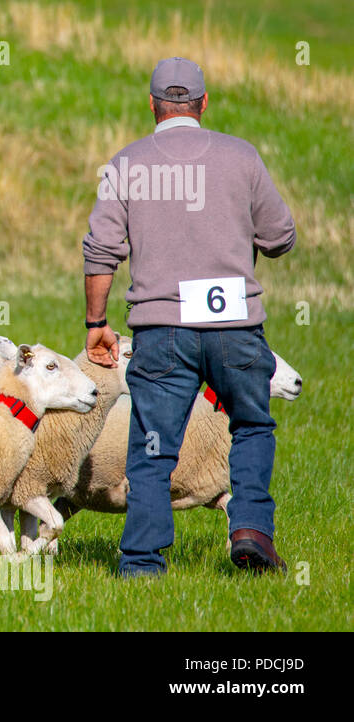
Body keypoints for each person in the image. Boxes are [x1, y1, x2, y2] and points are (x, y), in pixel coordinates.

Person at [80, 57, 296, 577]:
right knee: (250, 426)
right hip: (236, 329)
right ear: (203, 104)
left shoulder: (126, 163)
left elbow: (100, 251)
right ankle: (249, 531)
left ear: (153, 106)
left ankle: (141, 562)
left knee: (153, 446)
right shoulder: (242, 157)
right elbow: (280, 237)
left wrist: (96, 324)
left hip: (160, 330)